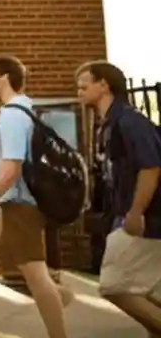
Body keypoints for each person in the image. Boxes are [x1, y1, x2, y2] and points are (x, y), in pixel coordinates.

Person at [0, 56, 73, 338]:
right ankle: (58, 296)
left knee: (36, 276)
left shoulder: (11, 114)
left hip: (19, 203)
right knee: (29, 271)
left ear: (5, 77)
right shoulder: (26, 109)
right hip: (22, 202)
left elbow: (12, 167)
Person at [76, 60, 161, 337]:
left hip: (145, 219)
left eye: (84, 86)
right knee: (141, 289)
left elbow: (151, 167)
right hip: (124, 216)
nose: (79, 91)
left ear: (104, 85)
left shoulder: (130, 121)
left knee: (115, 286)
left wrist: (136, 212)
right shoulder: (109, 125)